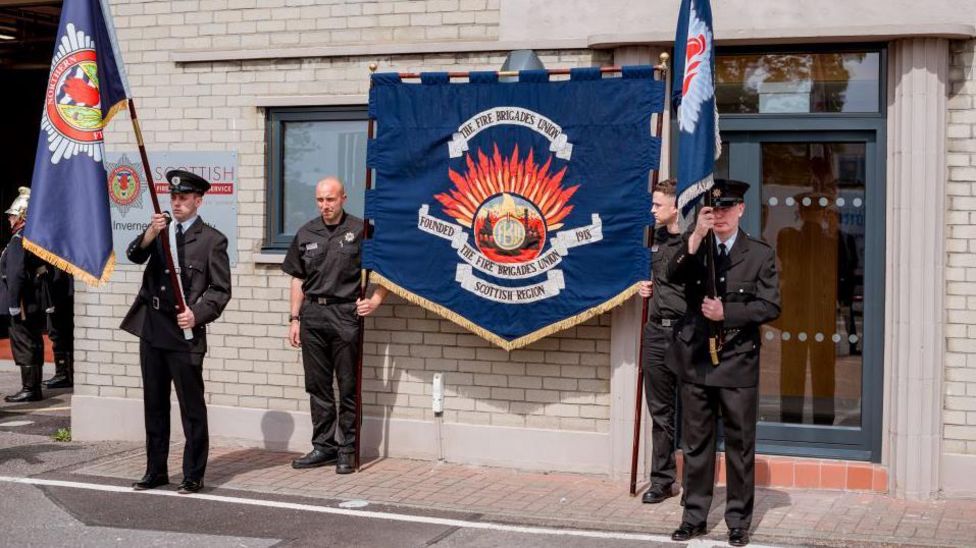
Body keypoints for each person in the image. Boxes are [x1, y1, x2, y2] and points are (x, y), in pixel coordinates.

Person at [666, 179, 781, 547]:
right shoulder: (698, 247)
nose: (722, 216)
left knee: (739, 445)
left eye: (728, 208)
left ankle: (737, 521)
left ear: (742, 209)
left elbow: (770, 306)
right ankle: (694, 517)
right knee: (696, 445)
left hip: (736, 361)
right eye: (715, 210)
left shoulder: (760, 254)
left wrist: (726, 312)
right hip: (698, 360)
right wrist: (695, 234)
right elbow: (671, 273)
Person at [120, 170, 231, 495]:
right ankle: (155, 471)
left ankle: (193, 474)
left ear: (198, 201)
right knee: (154, 404)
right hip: (154, 328)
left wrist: (196, 314)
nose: (178, 203)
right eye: (174, 198)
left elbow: (220, 290)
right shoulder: (160, 231)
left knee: (191, 407)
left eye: (184, 198)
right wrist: (150, 235)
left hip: (185, 333)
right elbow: (134, 255)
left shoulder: (212, 240)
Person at [282, 176, 387, 475]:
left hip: (345, 315)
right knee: (317, 386)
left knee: (348, 386)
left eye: (330, 199)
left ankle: (347, 449)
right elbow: (298, 278)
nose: (324, 205)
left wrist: (376, 300)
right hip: (313, 316)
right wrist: (294, 318)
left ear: (343, 198)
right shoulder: (306, 232)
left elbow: (385, 269)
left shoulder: (361, 231)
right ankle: (324, 446)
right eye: (320, 200)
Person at [638, 178, 685, 504]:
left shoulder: (695, 243)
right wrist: (644, 287)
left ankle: (694, 485)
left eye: (658, 205)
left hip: (686, 334)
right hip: (655, 332)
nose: (653, 209)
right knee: (660, 412)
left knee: (693, 412)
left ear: (675, 208)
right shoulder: (652, 238)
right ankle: (662, 480)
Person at [1, 187, 46, 403]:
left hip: (21, 301)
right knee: (33, 340)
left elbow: (15, 273)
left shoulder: (19, 239)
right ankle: (33, 387)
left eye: (13, 214)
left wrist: (13, 303)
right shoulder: (32, 237)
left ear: (22, 216)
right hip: (32, 300)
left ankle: (30, 388)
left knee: (23, 342)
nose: (10, 218)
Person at [41, 267, 74, 389]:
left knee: (58, 334)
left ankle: (63, 375)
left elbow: (56, 276)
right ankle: (68, 374)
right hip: (65, 293)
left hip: (59, 295)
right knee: (64, 334)